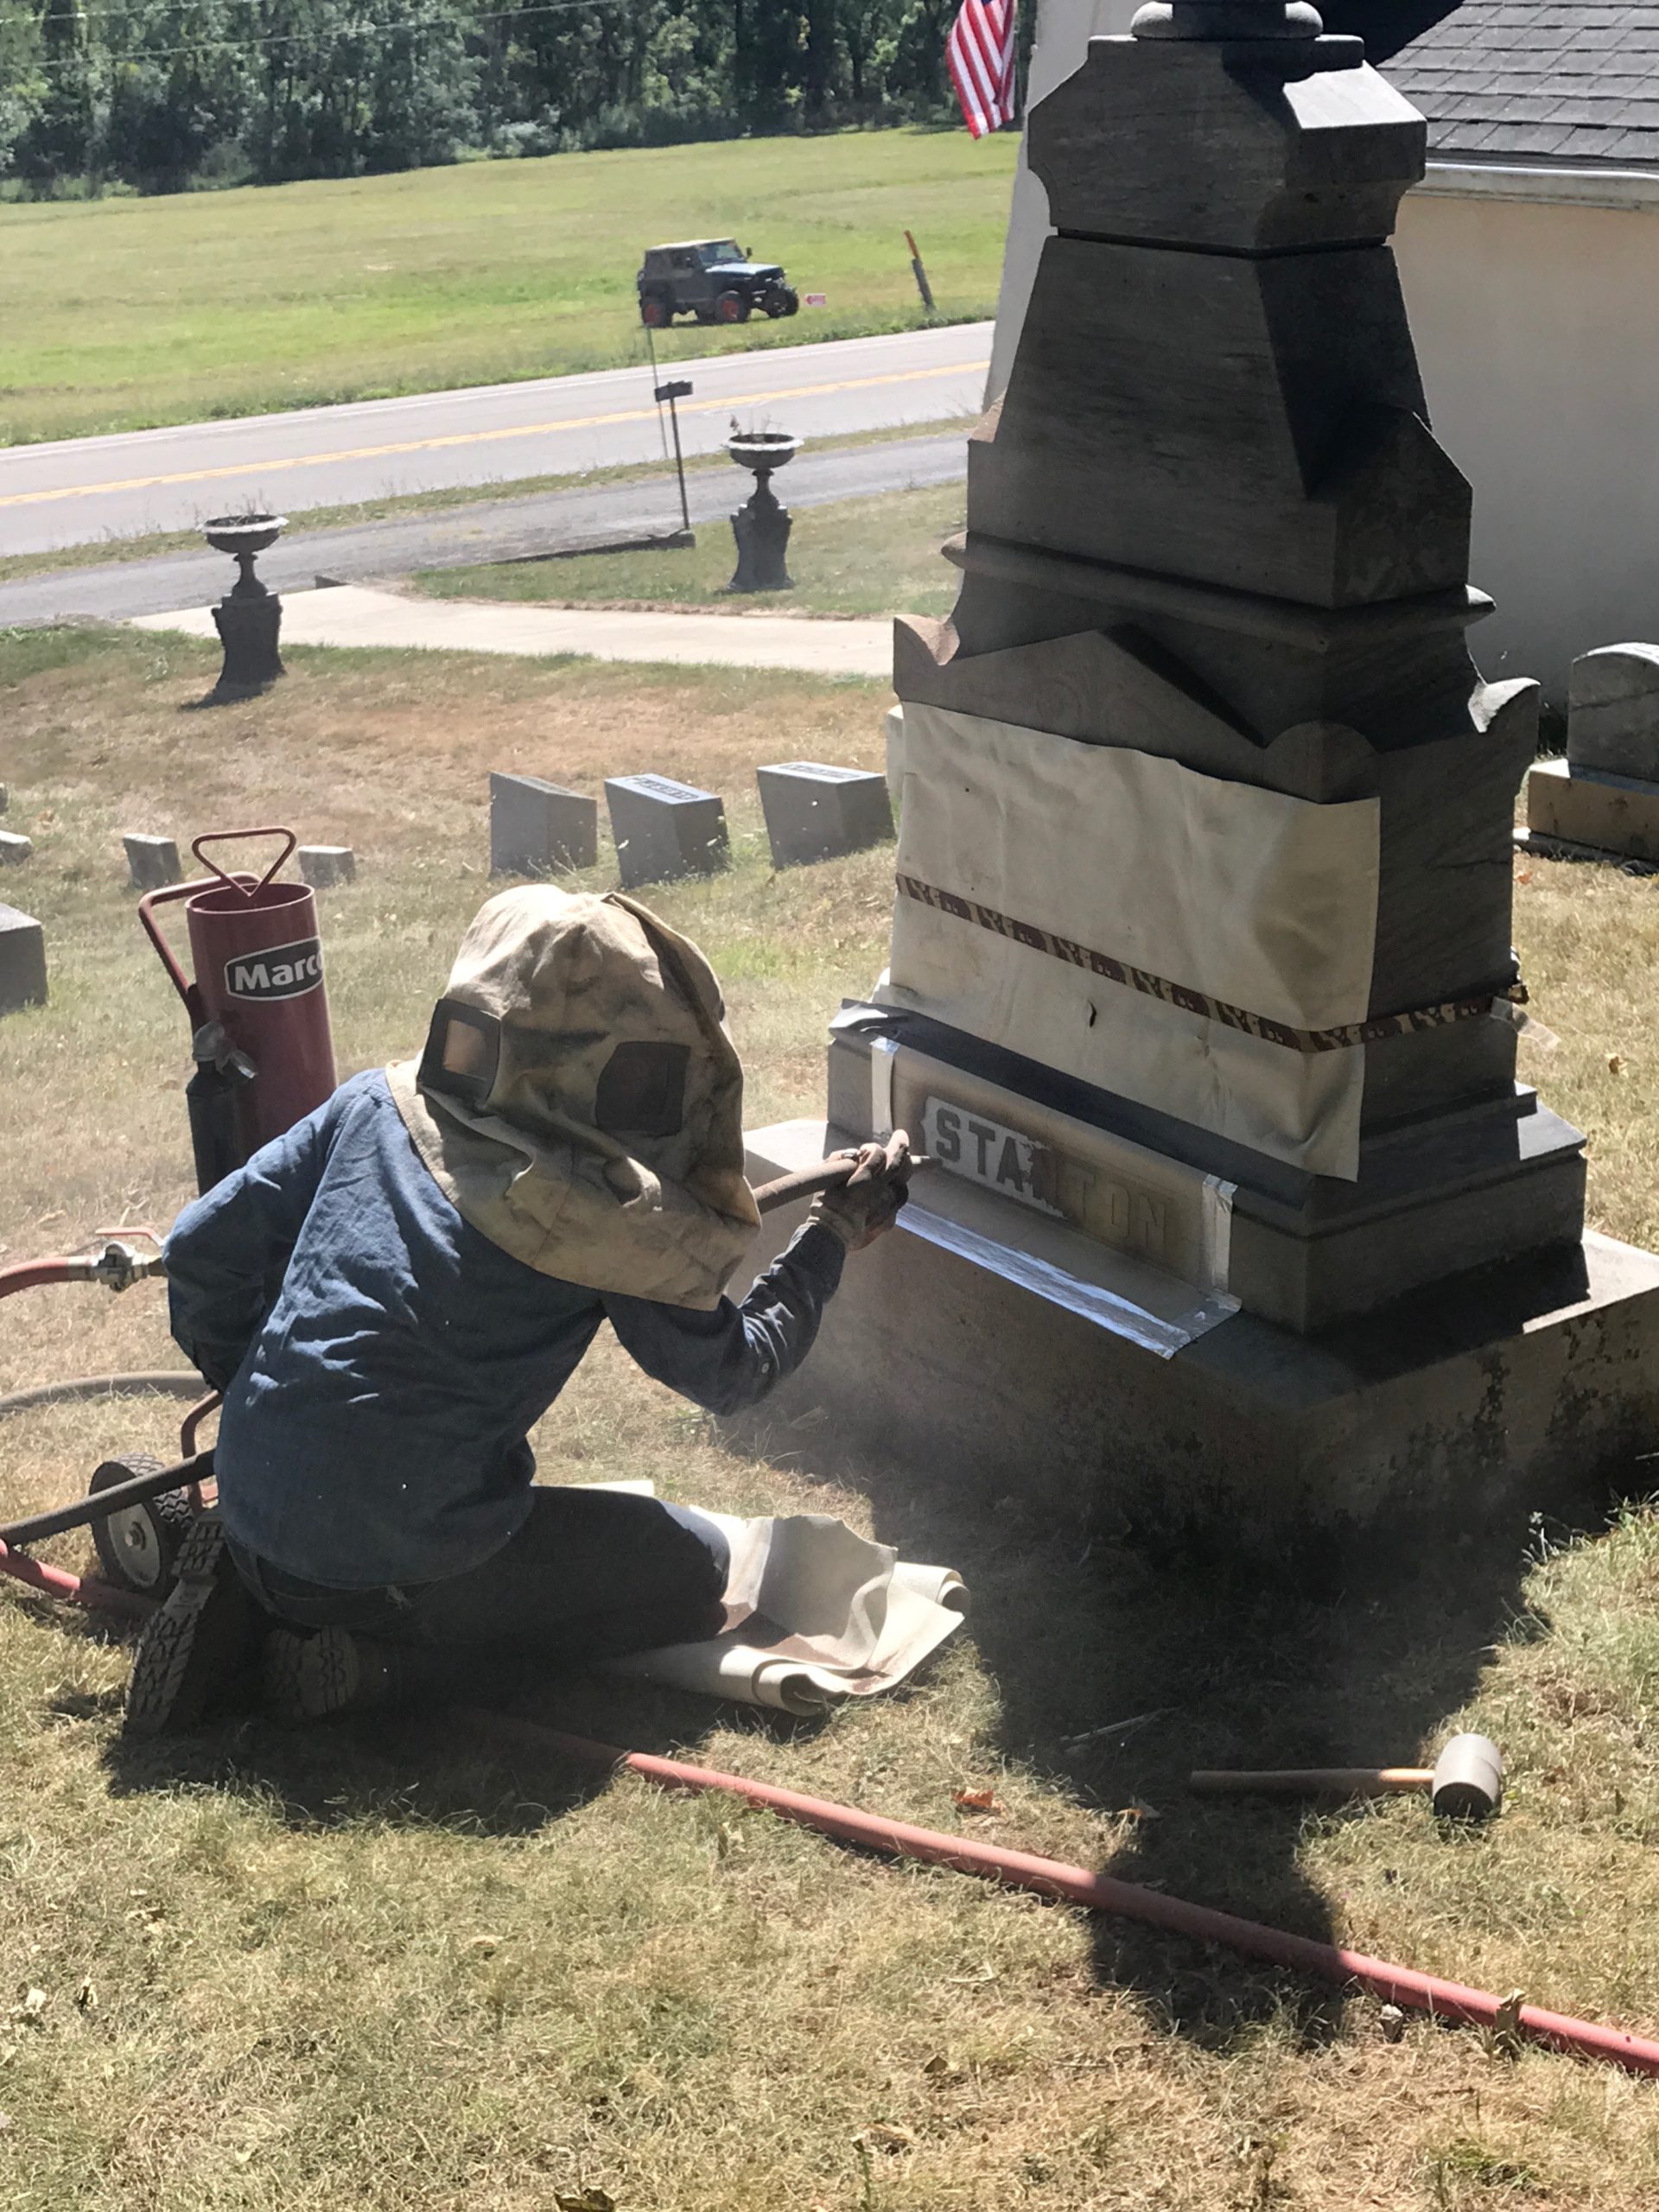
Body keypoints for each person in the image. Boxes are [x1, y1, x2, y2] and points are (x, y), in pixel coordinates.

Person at [125, 884, 909, 1735]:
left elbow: (198, 1250)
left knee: (367, 1524)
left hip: (249, 1497)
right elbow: (735, 1372)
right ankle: (377, 1669)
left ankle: (254, 1583)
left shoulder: (374, 1104)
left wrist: (268, 1403)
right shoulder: (604, 1218)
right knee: (696, 1568)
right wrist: (833, 1233)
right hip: (399, 1561)